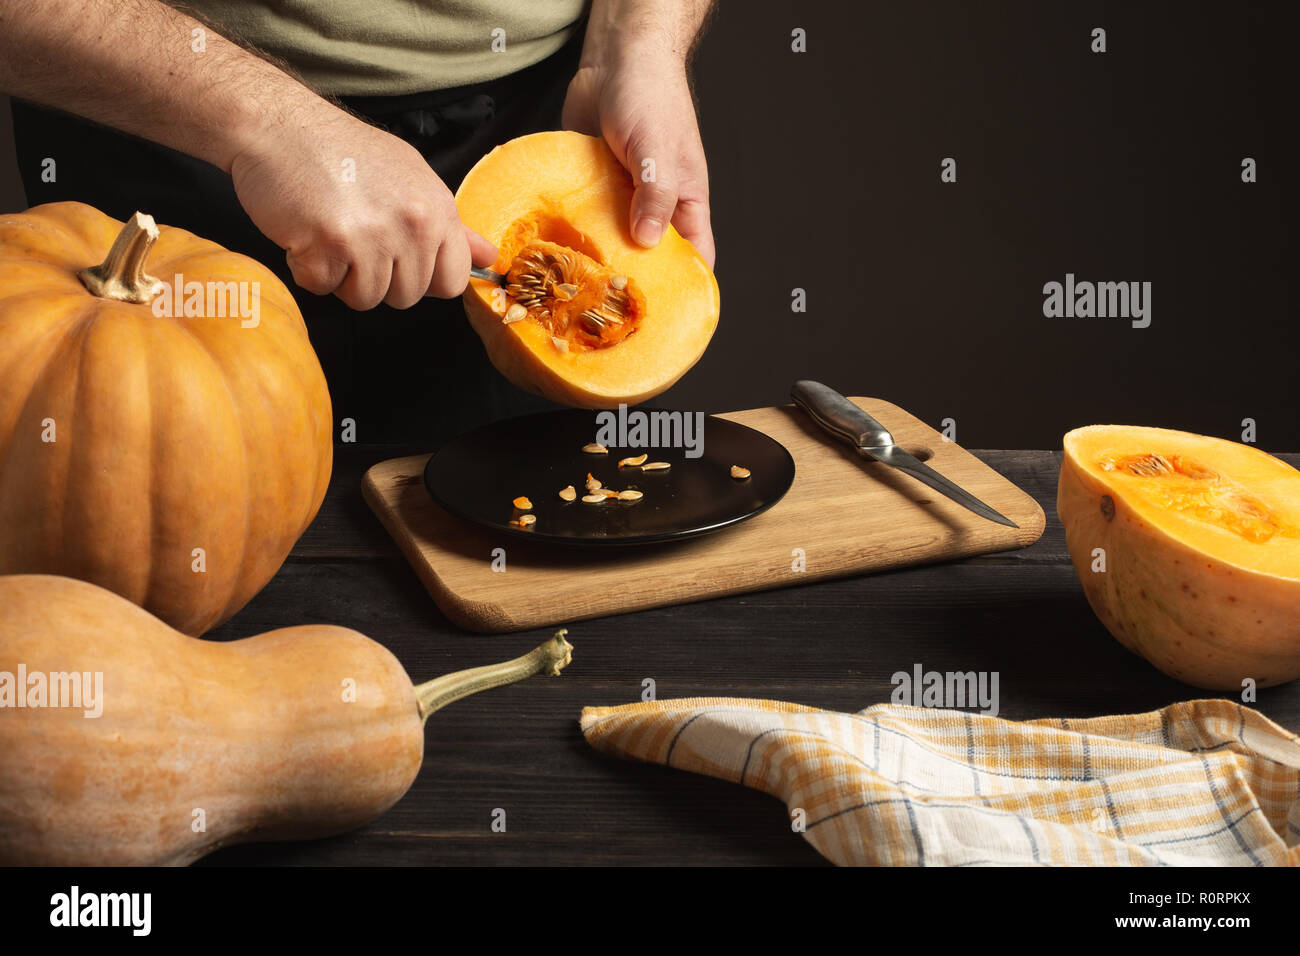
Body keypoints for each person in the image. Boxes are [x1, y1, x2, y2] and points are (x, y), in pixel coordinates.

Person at [0, 0, 716, 443]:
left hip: (547, 114)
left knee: (518, 548)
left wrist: (640, 40)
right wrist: (270, 127)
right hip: (167, 123)